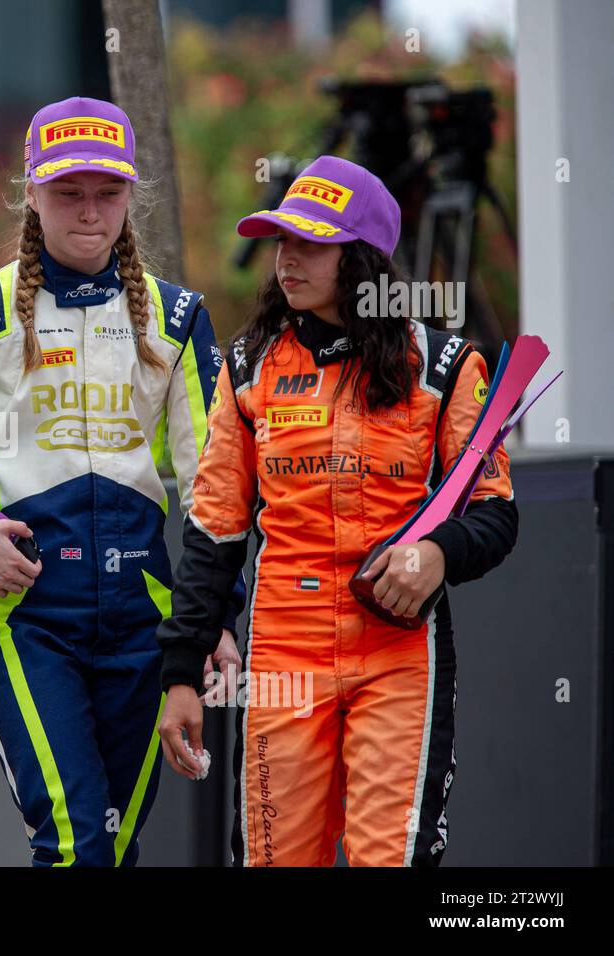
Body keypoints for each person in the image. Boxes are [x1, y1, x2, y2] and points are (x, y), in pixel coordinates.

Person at [0, 96, 243, 866]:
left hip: (147, 623)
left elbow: (223, 485)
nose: (89, 211)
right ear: (32, 195)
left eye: (107, 193)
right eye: (68, 193)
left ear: (130, 197)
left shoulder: (179, 317)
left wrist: (214, 616)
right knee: (75, 838)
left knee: (114, 844)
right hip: (29, 618)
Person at [155, 155, 518, 866]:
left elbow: (496, 514)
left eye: (310, 243)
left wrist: (438, 553)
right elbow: (213, 530)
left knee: (392, 859)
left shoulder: (444, 367)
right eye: (281, 241)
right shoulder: (250, 364)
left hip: (400, 656)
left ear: (363, 260)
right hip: (282, 655)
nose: (286, 259)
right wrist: (179, 675)